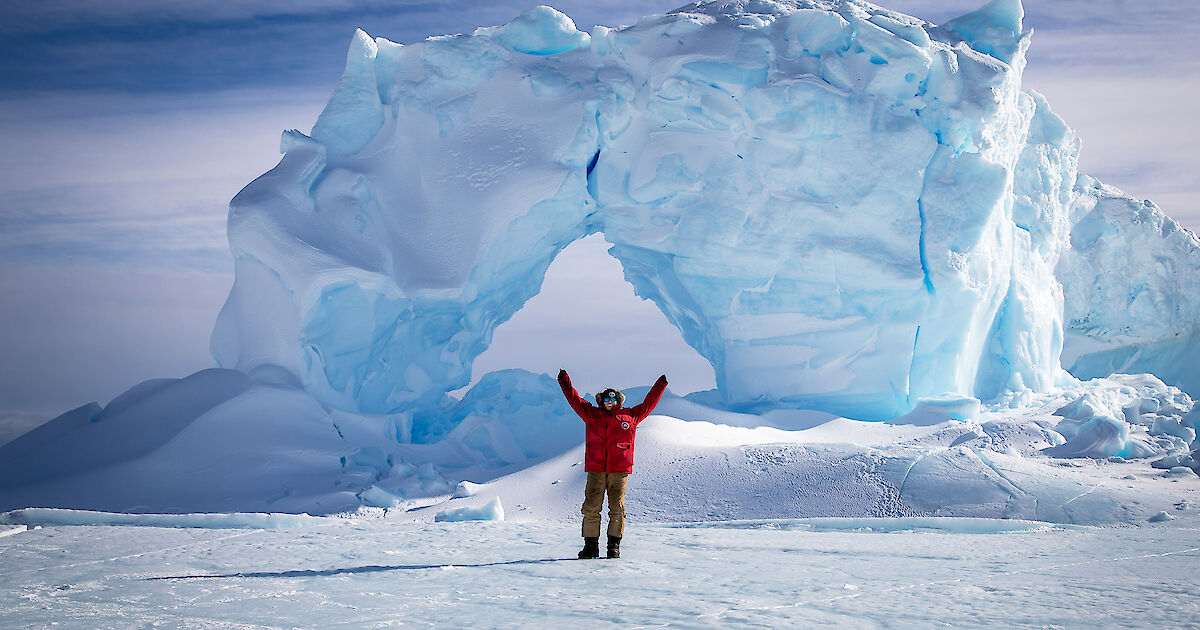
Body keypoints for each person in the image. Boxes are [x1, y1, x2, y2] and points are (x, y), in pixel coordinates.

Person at [557, 368, 668, 559]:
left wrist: (661, 385)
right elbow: (575, 401)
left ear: (619, 401)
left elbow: (649, 404)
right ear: (601, 401)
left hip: (619, 470)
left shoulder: (630, 416)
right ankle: (590, 547)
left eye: (613, 399)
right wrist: (564, 381)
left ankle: (613, 546)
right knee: (591, 507)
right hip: (596, 469)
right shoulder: (591, 415)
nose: (610, 402)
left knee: (617, 508)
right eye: (607, 399)